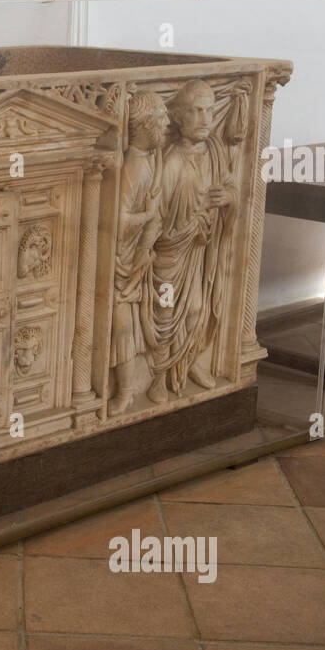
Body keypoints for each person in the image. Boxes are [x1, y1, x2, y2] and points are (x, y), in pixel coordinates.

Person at [147, 80, 236, 402]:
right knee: (165, 314)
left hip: (200, 251)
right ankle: (157, 377)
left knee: (197, 309)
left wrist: (228, 198)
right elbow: (156, 214)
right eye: (197, 111)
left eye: (210, 111)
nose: (206, 119)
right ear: (179, 117)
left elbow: (233, 189)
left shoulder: (214, 152)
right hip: (171, 255)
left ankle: (191, 362)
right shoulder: (170, 162)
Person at [108, 91, 167, 415]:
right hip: (119, 263)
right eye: (161, 118)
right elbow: (119, 221)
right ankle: (123, 392)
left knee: (127, 326)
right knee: (121, 327)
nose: (167, 123)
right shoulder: (134, 165)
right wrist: (148, 214)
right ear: (144, 124)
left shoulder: (150, 159)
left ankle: (129, 391)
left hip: (135, 261)